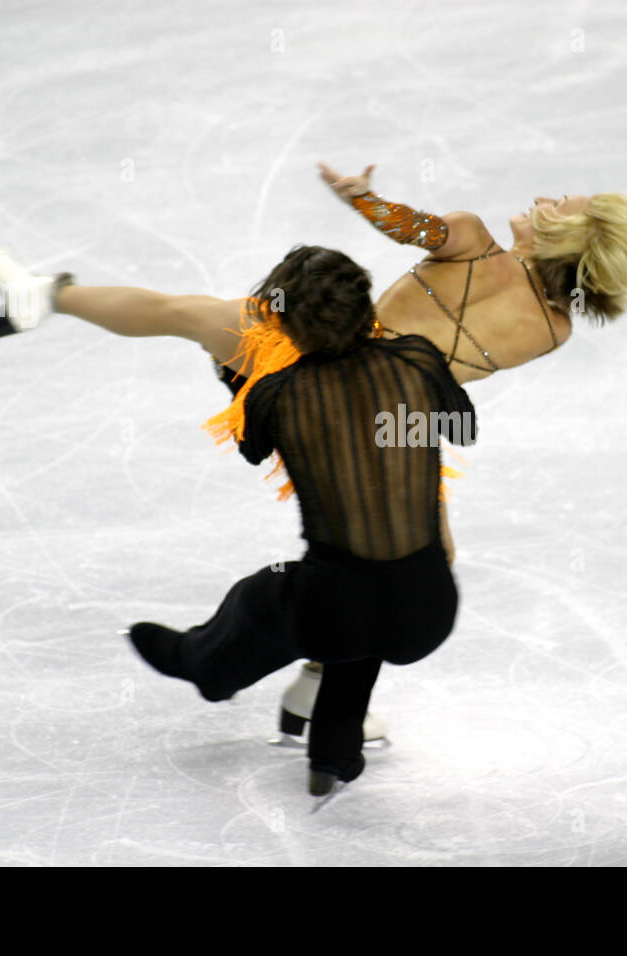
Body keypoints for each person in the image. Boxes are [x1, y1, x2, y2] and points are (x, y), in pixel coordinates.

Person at [0, 160, 627, 742]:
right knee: (421, 556)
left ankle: (38, 297)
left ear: (567, 234)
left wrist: (361, 198)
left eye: (557, 204)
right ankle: (320, 689)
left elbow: (408, 225)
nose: (541, 199)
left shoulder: (474, 240)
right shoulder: (553, 329)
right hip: (389, 421)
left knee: (186, 313)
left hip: (313, 369)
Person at [121, 244, 475, 795]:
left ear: (287, 325)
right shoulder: (417, 361)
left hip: (333, 611)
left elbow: (253, 446)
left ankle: (204, 668)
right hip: (428, 608)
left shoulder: (279, 395)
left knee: (264, 594)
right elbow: (457, 423)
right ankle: (334, 750)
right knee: (365, 601)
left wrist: (234, 378)